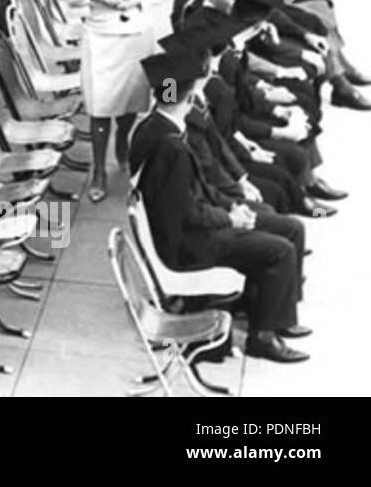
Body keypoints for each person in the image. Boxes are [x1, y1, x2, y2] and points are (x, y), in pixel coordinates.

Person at [131, 49, 309, 364]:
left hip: (190, 227)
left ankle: (268, 309)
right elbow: (188, 213)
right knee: (280, 249)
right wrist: (230, 218)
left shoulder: (153, 127)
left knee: (289, 227)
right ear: (189, 96)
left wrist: (232, 206)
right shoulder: (171, 147)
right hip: (188, 245)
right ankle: (262, 337)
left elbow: (199, 194)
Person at [66, 0, 158, 202]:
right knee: (101, 105)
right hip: (102, 37)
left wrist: (138, 1)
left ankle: (123, 141)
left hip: (135, 35)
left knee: (133, 99)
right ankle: (99, 171)